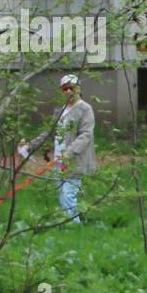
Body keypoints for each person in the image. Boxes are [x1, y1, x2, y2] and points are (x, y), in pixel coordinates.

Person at [18, 74, 97, 224]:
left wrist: (69, 152)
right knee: (61, 193)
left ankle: (74, 227)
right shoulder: (60, 111)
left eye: (71, 88)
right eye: (64, 89)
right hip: (58, 160)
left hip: (74, 160)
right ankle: (68, 224)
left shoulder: (85, 109)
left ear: (78, 88)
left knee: (68, 194)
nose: (68, 91)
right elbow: (48, 132)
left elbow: (86, 135)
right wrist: (30, 145)